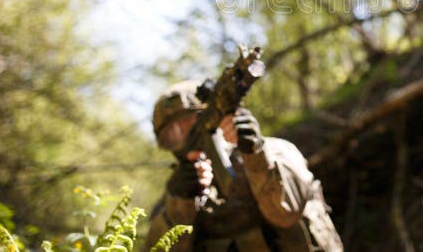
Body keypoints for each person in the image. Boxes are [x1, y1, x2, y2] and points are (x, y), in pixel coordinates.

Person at [145, 80, 343, 252]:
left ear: (211, 118)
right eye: (172, 135)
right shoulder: (172, 197)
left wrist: (255, 155)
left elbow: (286, 212)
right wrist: (180, 204)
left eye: (190, 124)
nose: (185, 137)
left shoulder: (276, 151)